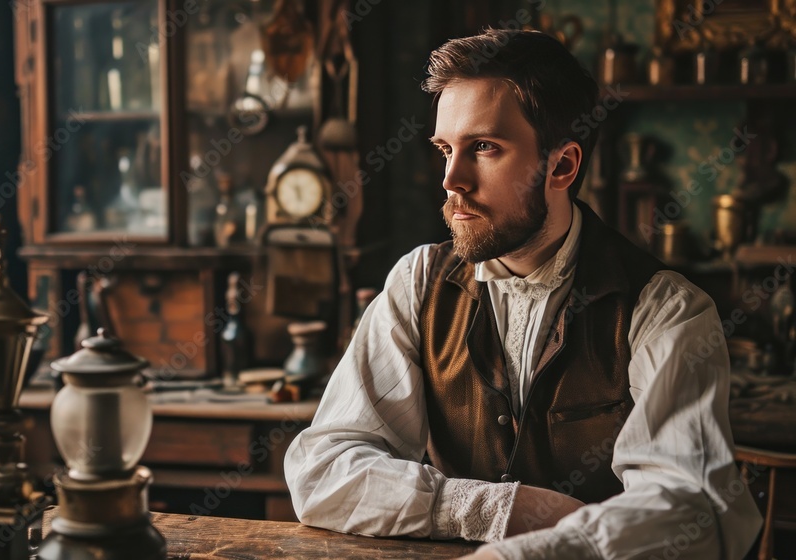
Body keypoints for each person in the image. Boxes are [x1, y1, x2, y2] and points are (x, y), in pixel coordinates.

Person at [283, 29, 762, 559]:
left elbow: (688, 507)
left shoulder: (666, 311)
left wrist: (521, 554)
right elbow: (323, 470)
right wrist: (494, 509)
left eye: (484, 147)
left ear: (562, 166)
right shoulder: (418, 282)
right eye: (445, 149)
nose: (451, 179)